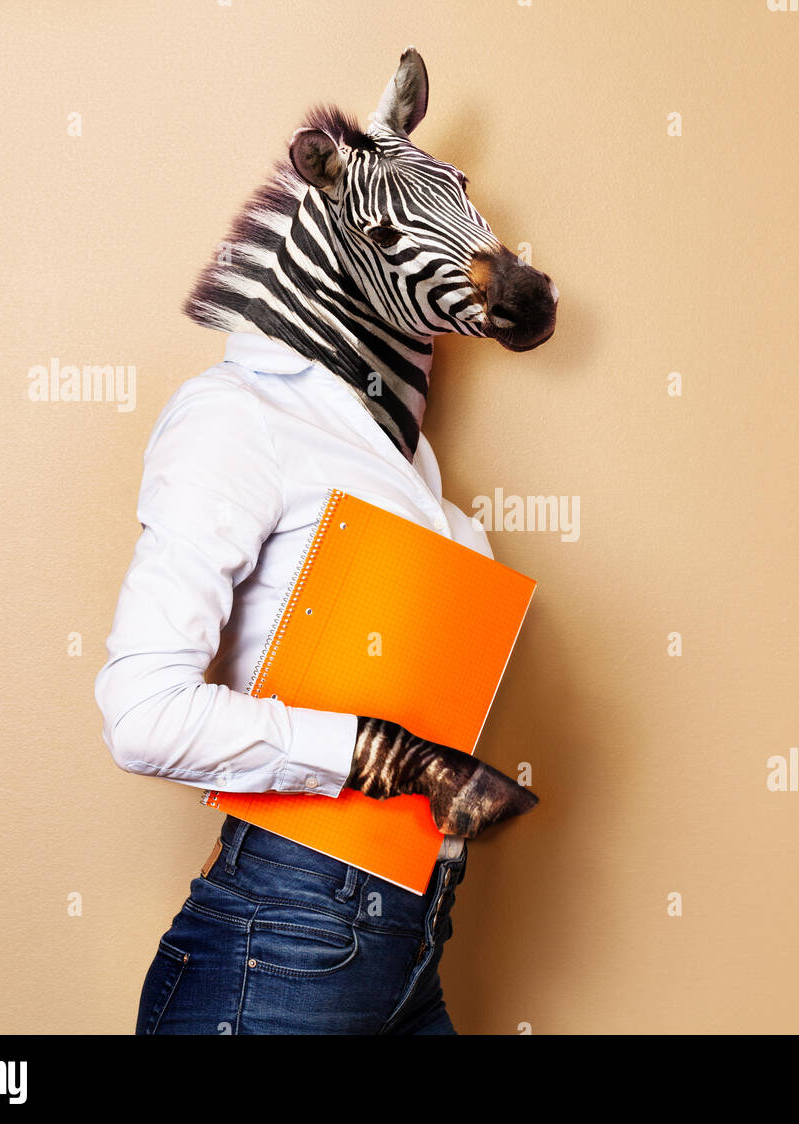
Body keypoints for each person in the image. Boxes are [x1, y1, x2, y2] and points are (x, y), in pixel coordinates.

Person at [94, 331, 537, 1034]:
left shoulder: (407, 469)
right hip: (287, 943)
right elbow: (143, 715)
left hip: (410, 941)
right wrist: (384, 755)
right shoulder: (239, 412)